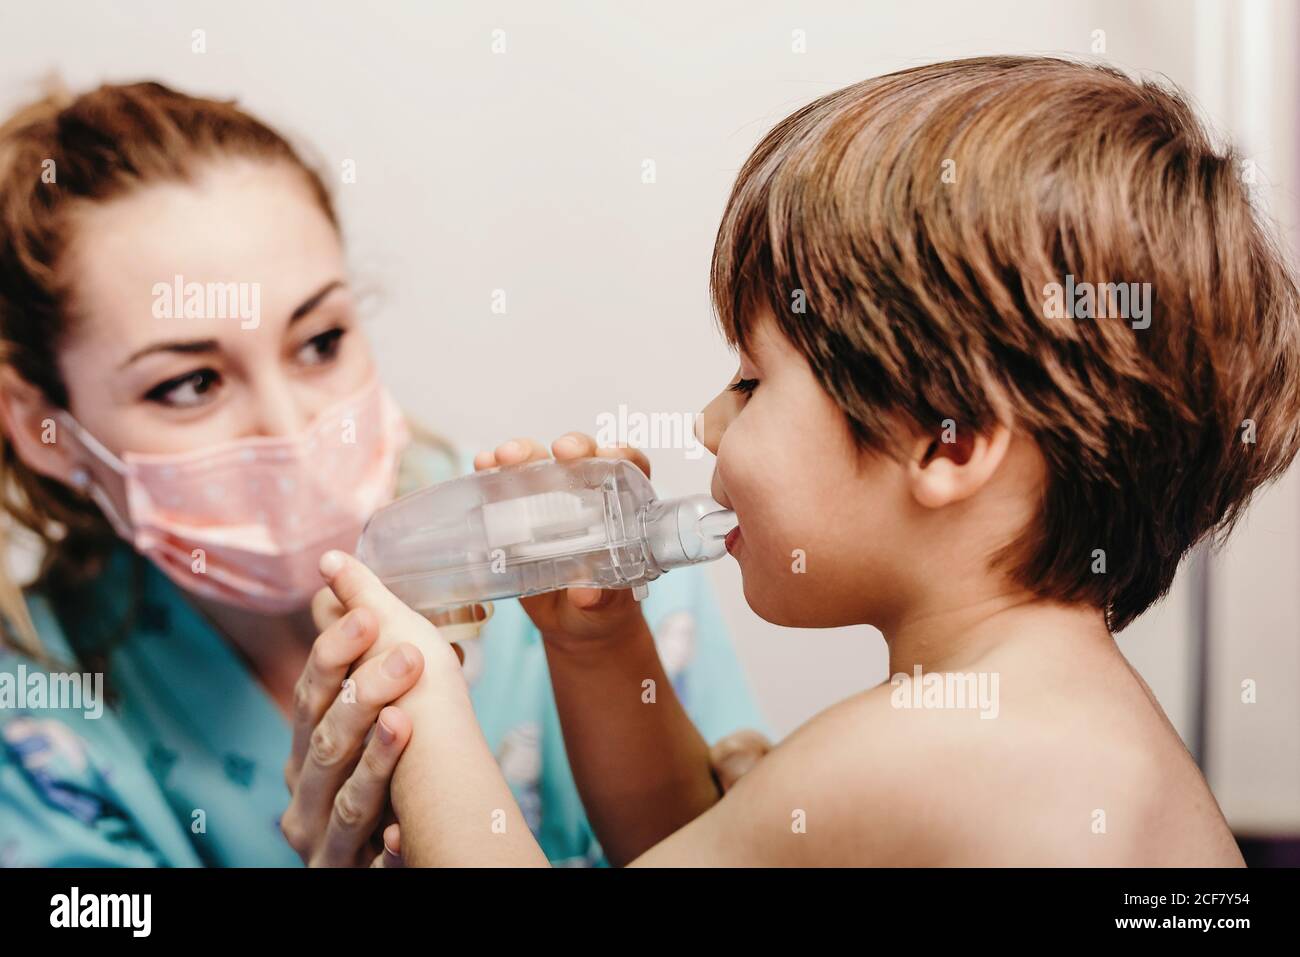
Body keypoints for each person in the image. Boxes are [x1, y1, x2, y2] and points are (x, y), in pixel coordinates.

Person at [315, 55, 1300, 866]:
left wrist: (421, 703)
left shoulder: (942, 755)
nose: (706, 424)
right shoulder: (1030, 721)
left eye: (749, 382)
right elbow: (694, 844)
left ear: (946, 441)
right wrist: (599, 648)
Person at [0, 80, 766, 868]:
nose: (293, 429)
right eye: (189, 383)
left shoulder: (586, 570)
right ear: (39, 424)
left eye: (320, 340)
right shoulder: (35, 732)